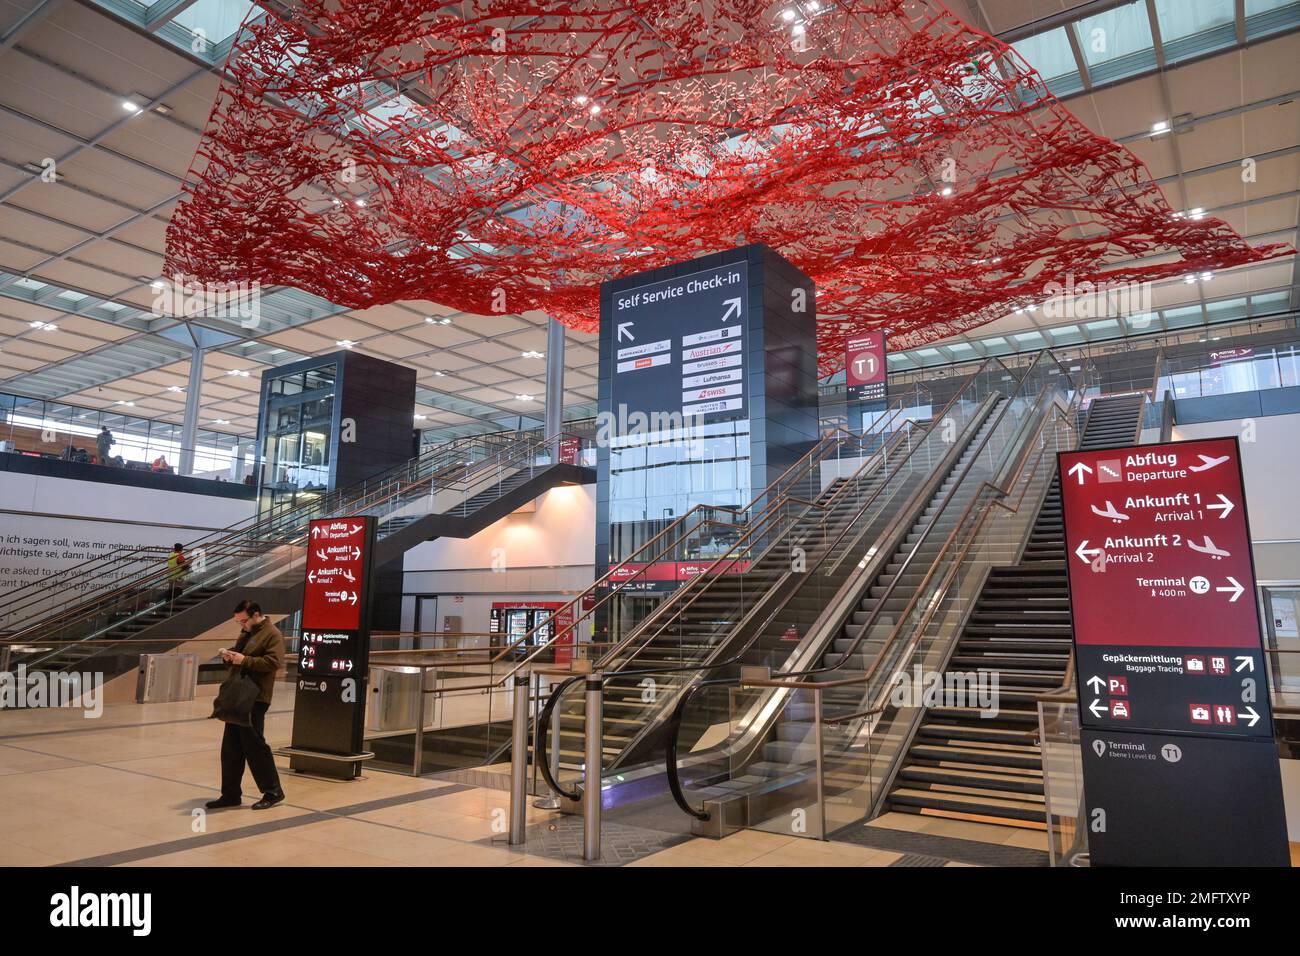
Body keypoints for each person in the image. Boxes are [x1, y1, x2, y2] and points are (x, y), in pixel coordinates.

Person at [207, 600, 286, 810]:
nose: (241, 625)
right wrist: (230, 656)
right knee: (231, 748)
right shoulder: (248, 632)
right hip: (238, 696)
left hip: (255, 697)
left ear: (256, 615)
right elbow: (242, 655)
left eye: (243, 621)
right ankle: (230, 794)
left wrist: (244, 660)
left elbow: (273, 662)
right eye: (238, 622)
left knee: (255, 746)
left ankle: (273, 791)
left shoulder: (272, 634)